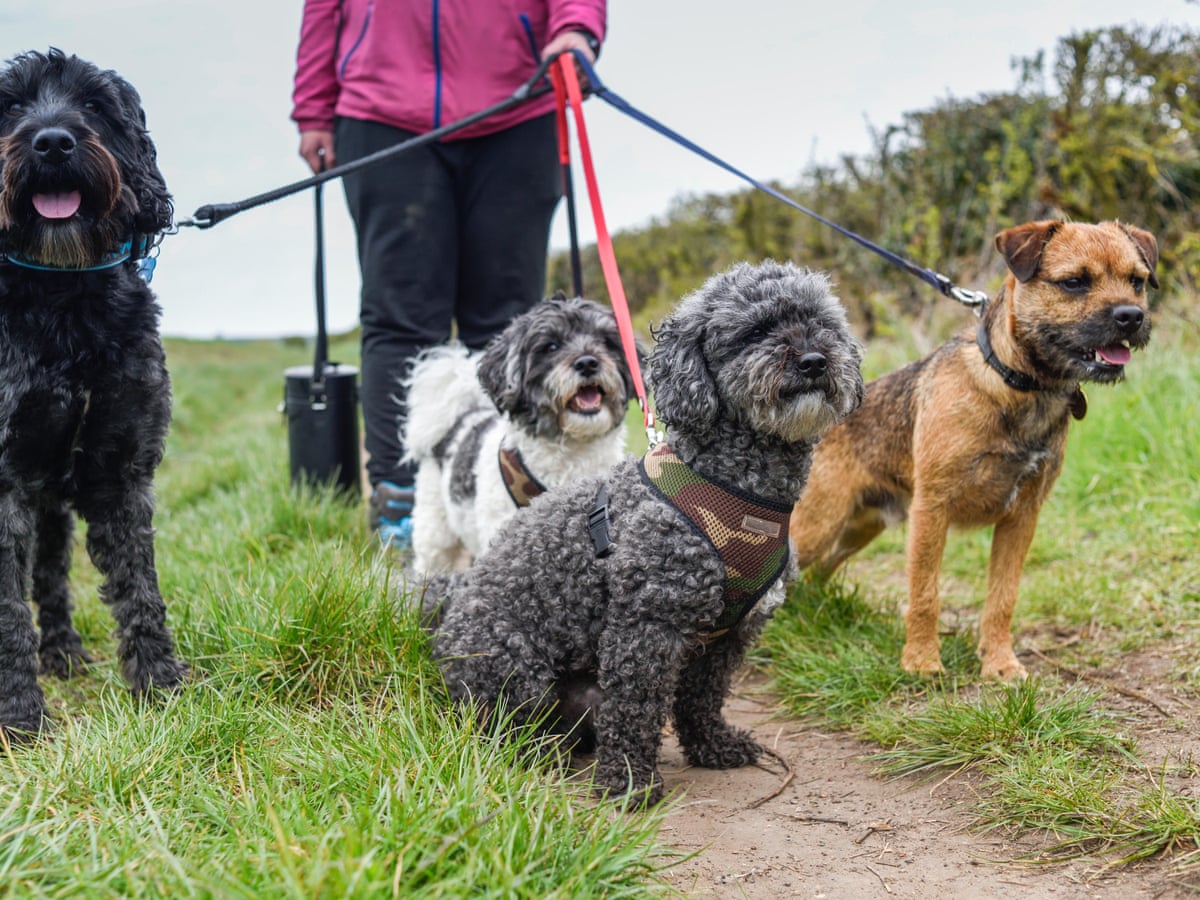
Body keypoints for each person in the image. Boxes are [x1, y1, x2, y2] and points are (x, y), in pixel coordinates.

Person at [291, 0, 606, 548]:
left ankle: (517, 488)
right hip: (381, 115)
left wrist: (577, 28)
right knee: (400, 320)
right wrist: (314, 108)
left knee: (510, 322)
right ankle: (400, 498)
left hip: (520, 104)